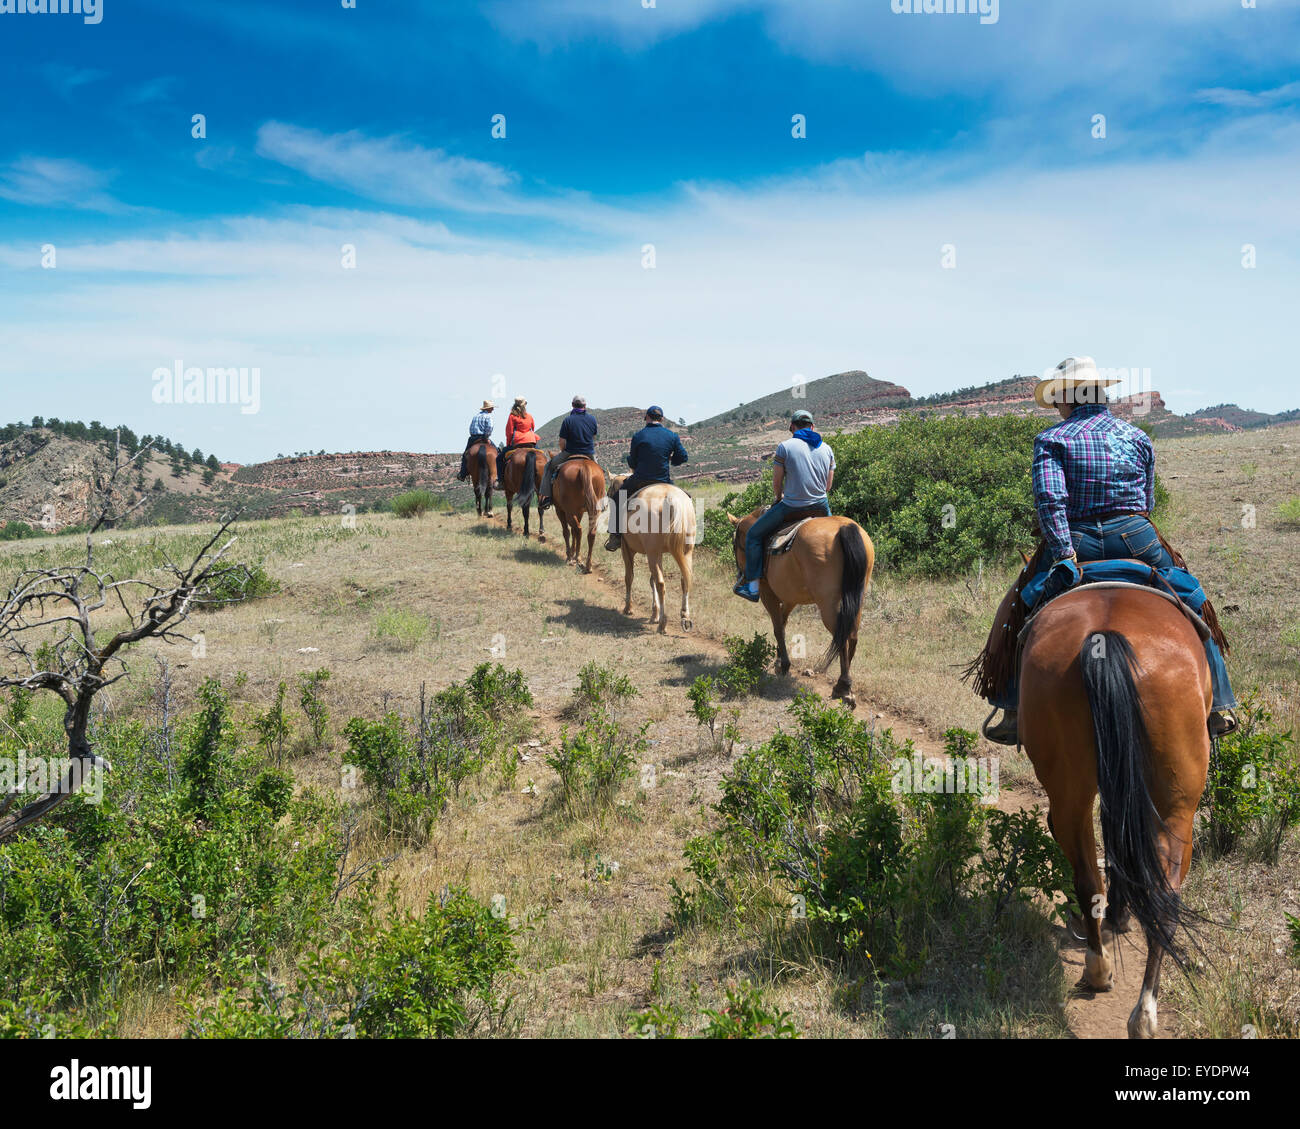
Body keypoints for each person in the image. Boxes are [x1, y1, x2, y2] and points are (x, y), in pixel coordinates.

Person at [980, 356, 1238, 745]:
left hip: (1078, 538)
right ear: (1099, 394)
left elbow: (1051, 501)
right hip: (1137, 536)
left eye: (1057, 399)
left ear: (1068, 397)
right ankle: (1218, 704)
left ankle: (1012, 706)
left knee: (1020, 604)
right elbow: (1146, 503)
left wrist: (1065, 554)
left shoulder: (1052, 439)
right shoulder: (1136, 437)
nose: (1056, 407)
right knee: (1191, 598)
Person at [733, 409, 834, 602]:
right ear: (813, 427)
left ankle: (753, 587)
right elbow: (828, 486)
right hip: (821, 506)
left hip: (792, 506)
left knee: (753, 535)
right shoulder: (827, 449)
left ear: (792, 427)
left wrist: (778, 497)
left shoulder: (785, 447)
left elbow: (777, 481)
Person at [605, 406, 689, 550]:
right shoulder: (672, 436)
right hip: (664, 480)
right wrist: (670, 459)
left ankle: (616, 536)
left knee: (617, 499)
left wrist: (636, 463)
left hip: (641, 479)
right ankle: (689, 535)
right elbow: (683, 457)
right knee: (687, 499)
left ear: (647, 418)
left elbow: (632, 461)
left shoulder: (638, 436)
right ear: (661, 419)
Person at [538, 396, 598, 510]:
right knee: (599, 470)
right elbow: (593, 436)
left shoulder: (568, 420)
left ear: (572, 405)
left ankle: (547, 498)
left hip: (570, 452)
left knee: (548, 467)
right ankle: (602, 496)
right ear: (585, 406)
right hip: (589, 453)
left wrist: (563, 451)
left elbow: (562, 442)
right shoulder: (592, 419)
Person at [496, 397, 539, 488]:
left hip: (518, 443)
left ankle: (500, 481)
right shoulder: (530, 416)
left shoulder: (512, 416)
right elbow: (533, 428)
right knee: (542, 457)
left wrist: (508, 444)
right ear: (524, 406)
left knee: (499, 459)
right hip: (531, 442)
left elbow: (509, 432)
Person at [458, 399, 495, 481]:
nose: (493, 409)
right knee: (497, 452)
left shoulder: (476, 416)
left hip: (473, 438)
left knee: (465, 455)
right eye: (491, 407)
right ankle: (498, 474)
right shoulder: (488, 416)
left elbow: (471, 428)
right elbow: (489, 428)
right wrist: (486, 437)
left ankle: (462, 474)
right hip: (484, 438)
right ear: (487, 408)